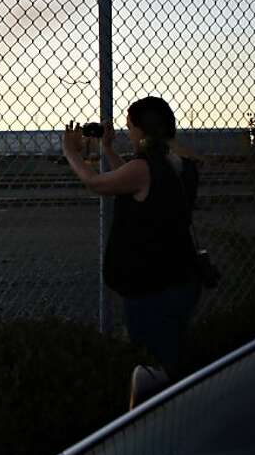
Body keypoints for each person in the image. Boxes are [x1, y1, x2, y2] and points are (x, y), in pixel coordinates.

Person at [61, 96, 202, 409]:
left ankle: (158, 422)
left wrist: (71, 153)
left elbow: (97, 183)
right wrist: (108, 149)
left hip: (152, 285)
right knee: (175, 359)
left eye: (129, 125)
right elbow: (134, 182)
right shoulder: (182, 164)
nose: (127, 131)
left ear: (140, 128)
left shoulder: (144, 168)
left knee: (155, 369)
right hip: (181, 276)